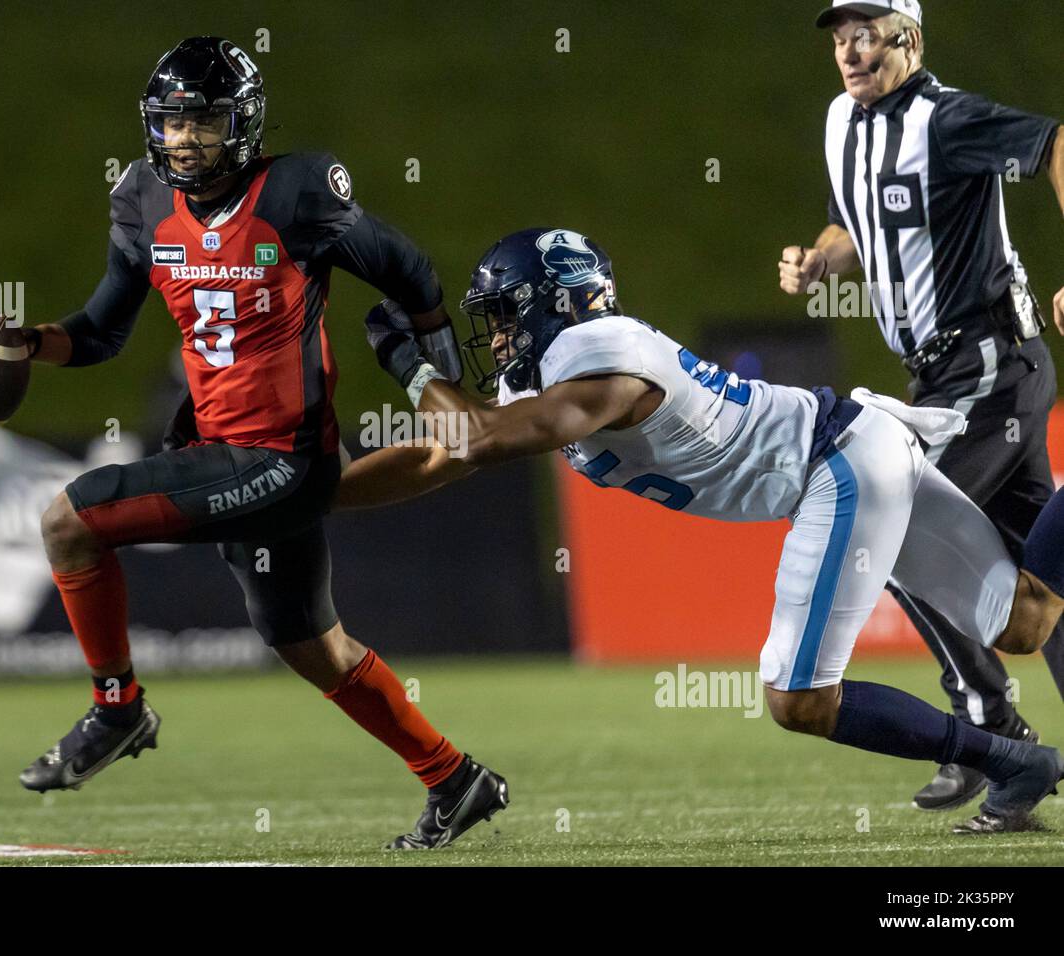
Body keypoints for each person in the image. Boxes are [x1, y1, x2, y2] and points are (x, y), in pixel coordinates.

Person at [0, 37, 508, 850]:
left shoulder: (295, 193)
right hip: (224, 449)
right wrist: (31, 341)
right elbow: (102, 331)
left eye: (203, 122)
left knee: (68, 521)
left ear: (241, 124)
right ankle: (455, 780)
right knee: (310, 645)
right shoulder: (145, 199)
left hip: (281, 460)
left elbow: (409, 270)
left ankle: (118, 708)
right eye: (172, 124)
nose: (184, 140)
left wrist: (442, 365)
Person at [347, 226, 1064, 834]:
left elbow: (470, 439)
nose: (498, 335)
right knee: (1028, 620)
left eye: (506, 315)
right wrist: (328, 495)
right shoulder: (547, 374)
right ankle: (1015, 760)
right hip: (857, 441)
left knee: (799, 697)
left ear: (556, 304)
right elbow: (443, 455)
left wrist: (408, 366)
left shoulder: (603, 355)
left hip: (835, 467)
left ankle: (1008, 762)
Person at [777, 0, 1064, 811]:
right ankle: (999, 730)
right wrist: (819, 262)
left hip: (989, 367)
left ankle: (990, 724)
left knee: (889, 520)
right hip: (943, 382)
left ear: (909, 37)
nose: (849, 50)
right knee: (1040, 564)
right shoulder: (842, 122)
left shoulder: (945, 118)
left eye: (866, 32)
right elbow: (854, 225)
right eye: (839, 37)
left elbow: (1053, 142)